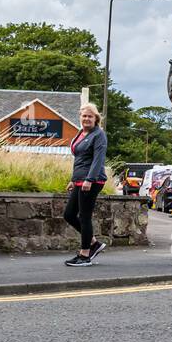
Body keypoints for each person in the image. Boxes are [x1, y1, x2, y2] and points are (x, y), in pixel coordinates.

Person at [63, 103, 108, 267]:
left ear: (96, 118)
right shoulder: (80, 133)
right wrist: (73, 179)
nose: (86, 118)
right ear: (80, 117)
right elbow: (80, 160)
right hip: (80, 180)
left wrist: (89, 179)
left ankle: (85, 255)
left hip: (92, 181)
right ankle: (94, 243)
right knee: (69, 214)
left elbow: (98, 160)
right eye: (84, 116)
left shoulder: (99, 135)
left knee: (84, 217)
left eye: (90, 116)